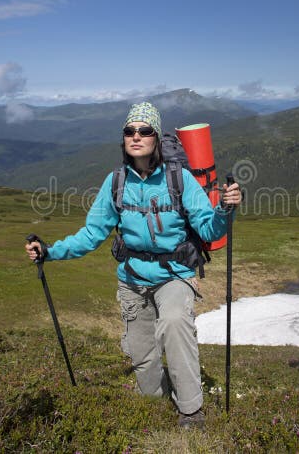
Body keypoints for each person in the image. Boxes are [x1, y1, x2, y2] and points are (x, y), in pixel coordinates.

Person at [25, 102, 242, 429]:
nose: (136, 136)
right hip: (132, 279)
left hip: (174, 276)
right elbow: (91, 234)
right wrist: (50, 252)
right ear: (123, 138)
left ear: (156, 137)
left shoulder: (179, 179)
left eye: (145, 130)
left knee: (174, 323)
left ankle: (191, 410)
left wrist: (225, 210)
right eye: (130, 131)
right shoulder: (115, 182)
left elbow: (209, 230)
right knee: (143, 357)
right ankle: (155, 405)